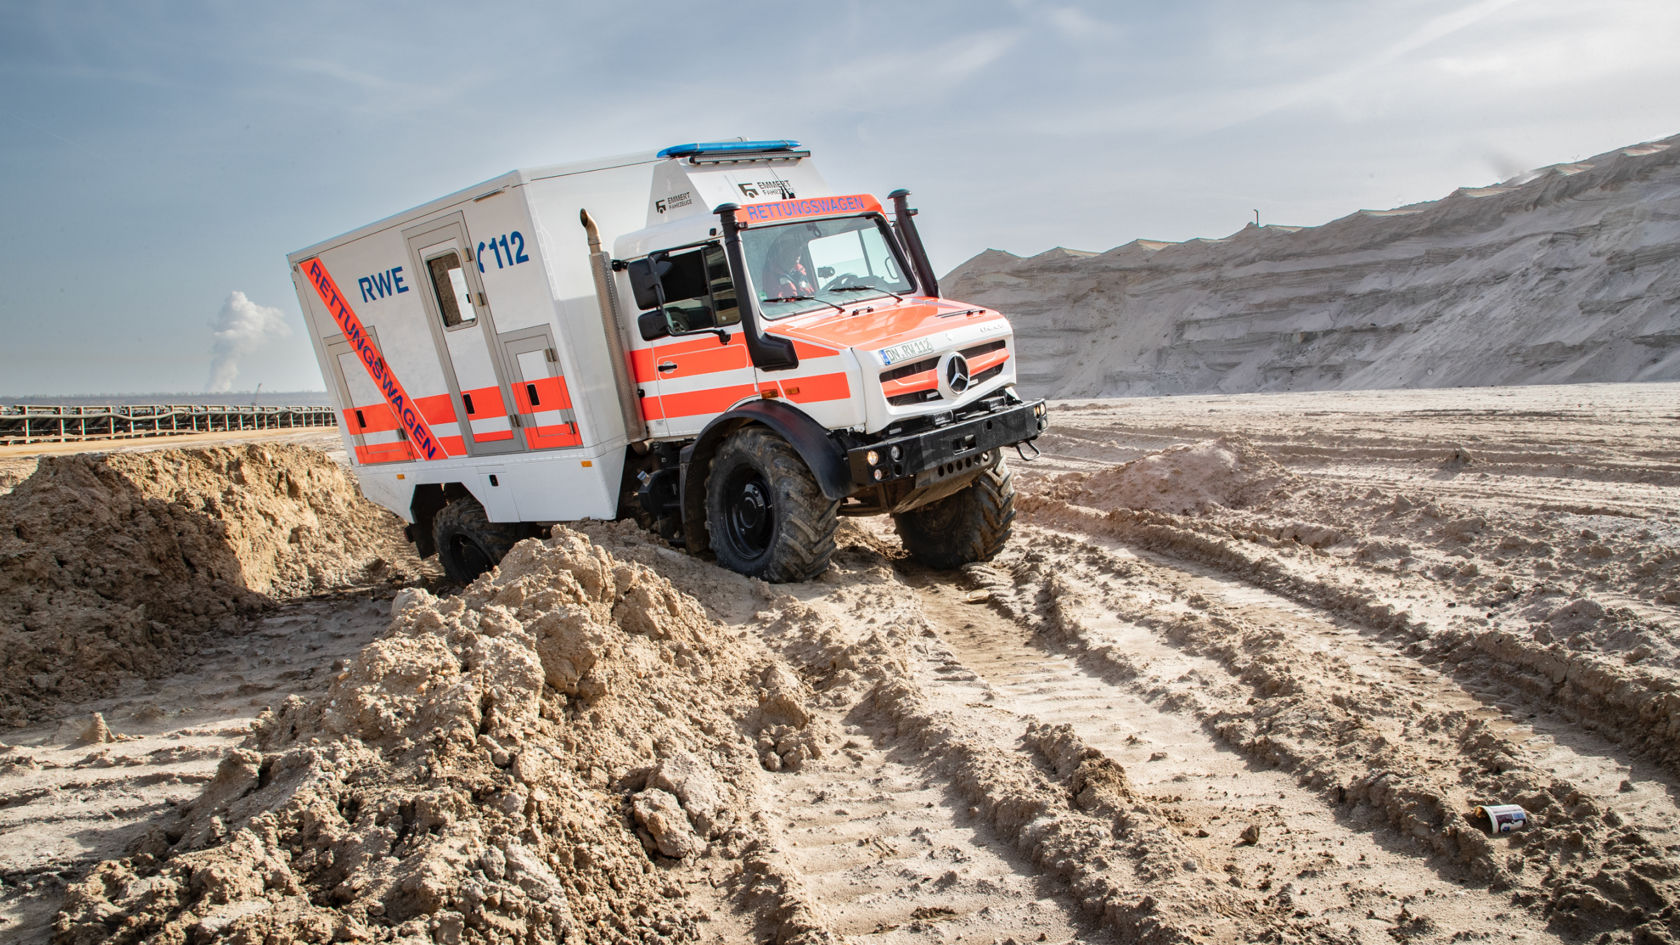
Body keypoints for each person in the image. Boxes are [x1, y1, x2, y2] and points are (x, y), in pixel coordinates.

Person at [762, 233, 815, 299]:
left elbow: (812, 294)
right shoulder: (772, 274)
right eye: (793, 250)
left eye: (799, 249)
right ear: (783, 251)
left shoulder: (800, 271)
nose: (798, 253)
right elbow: (776, 302)